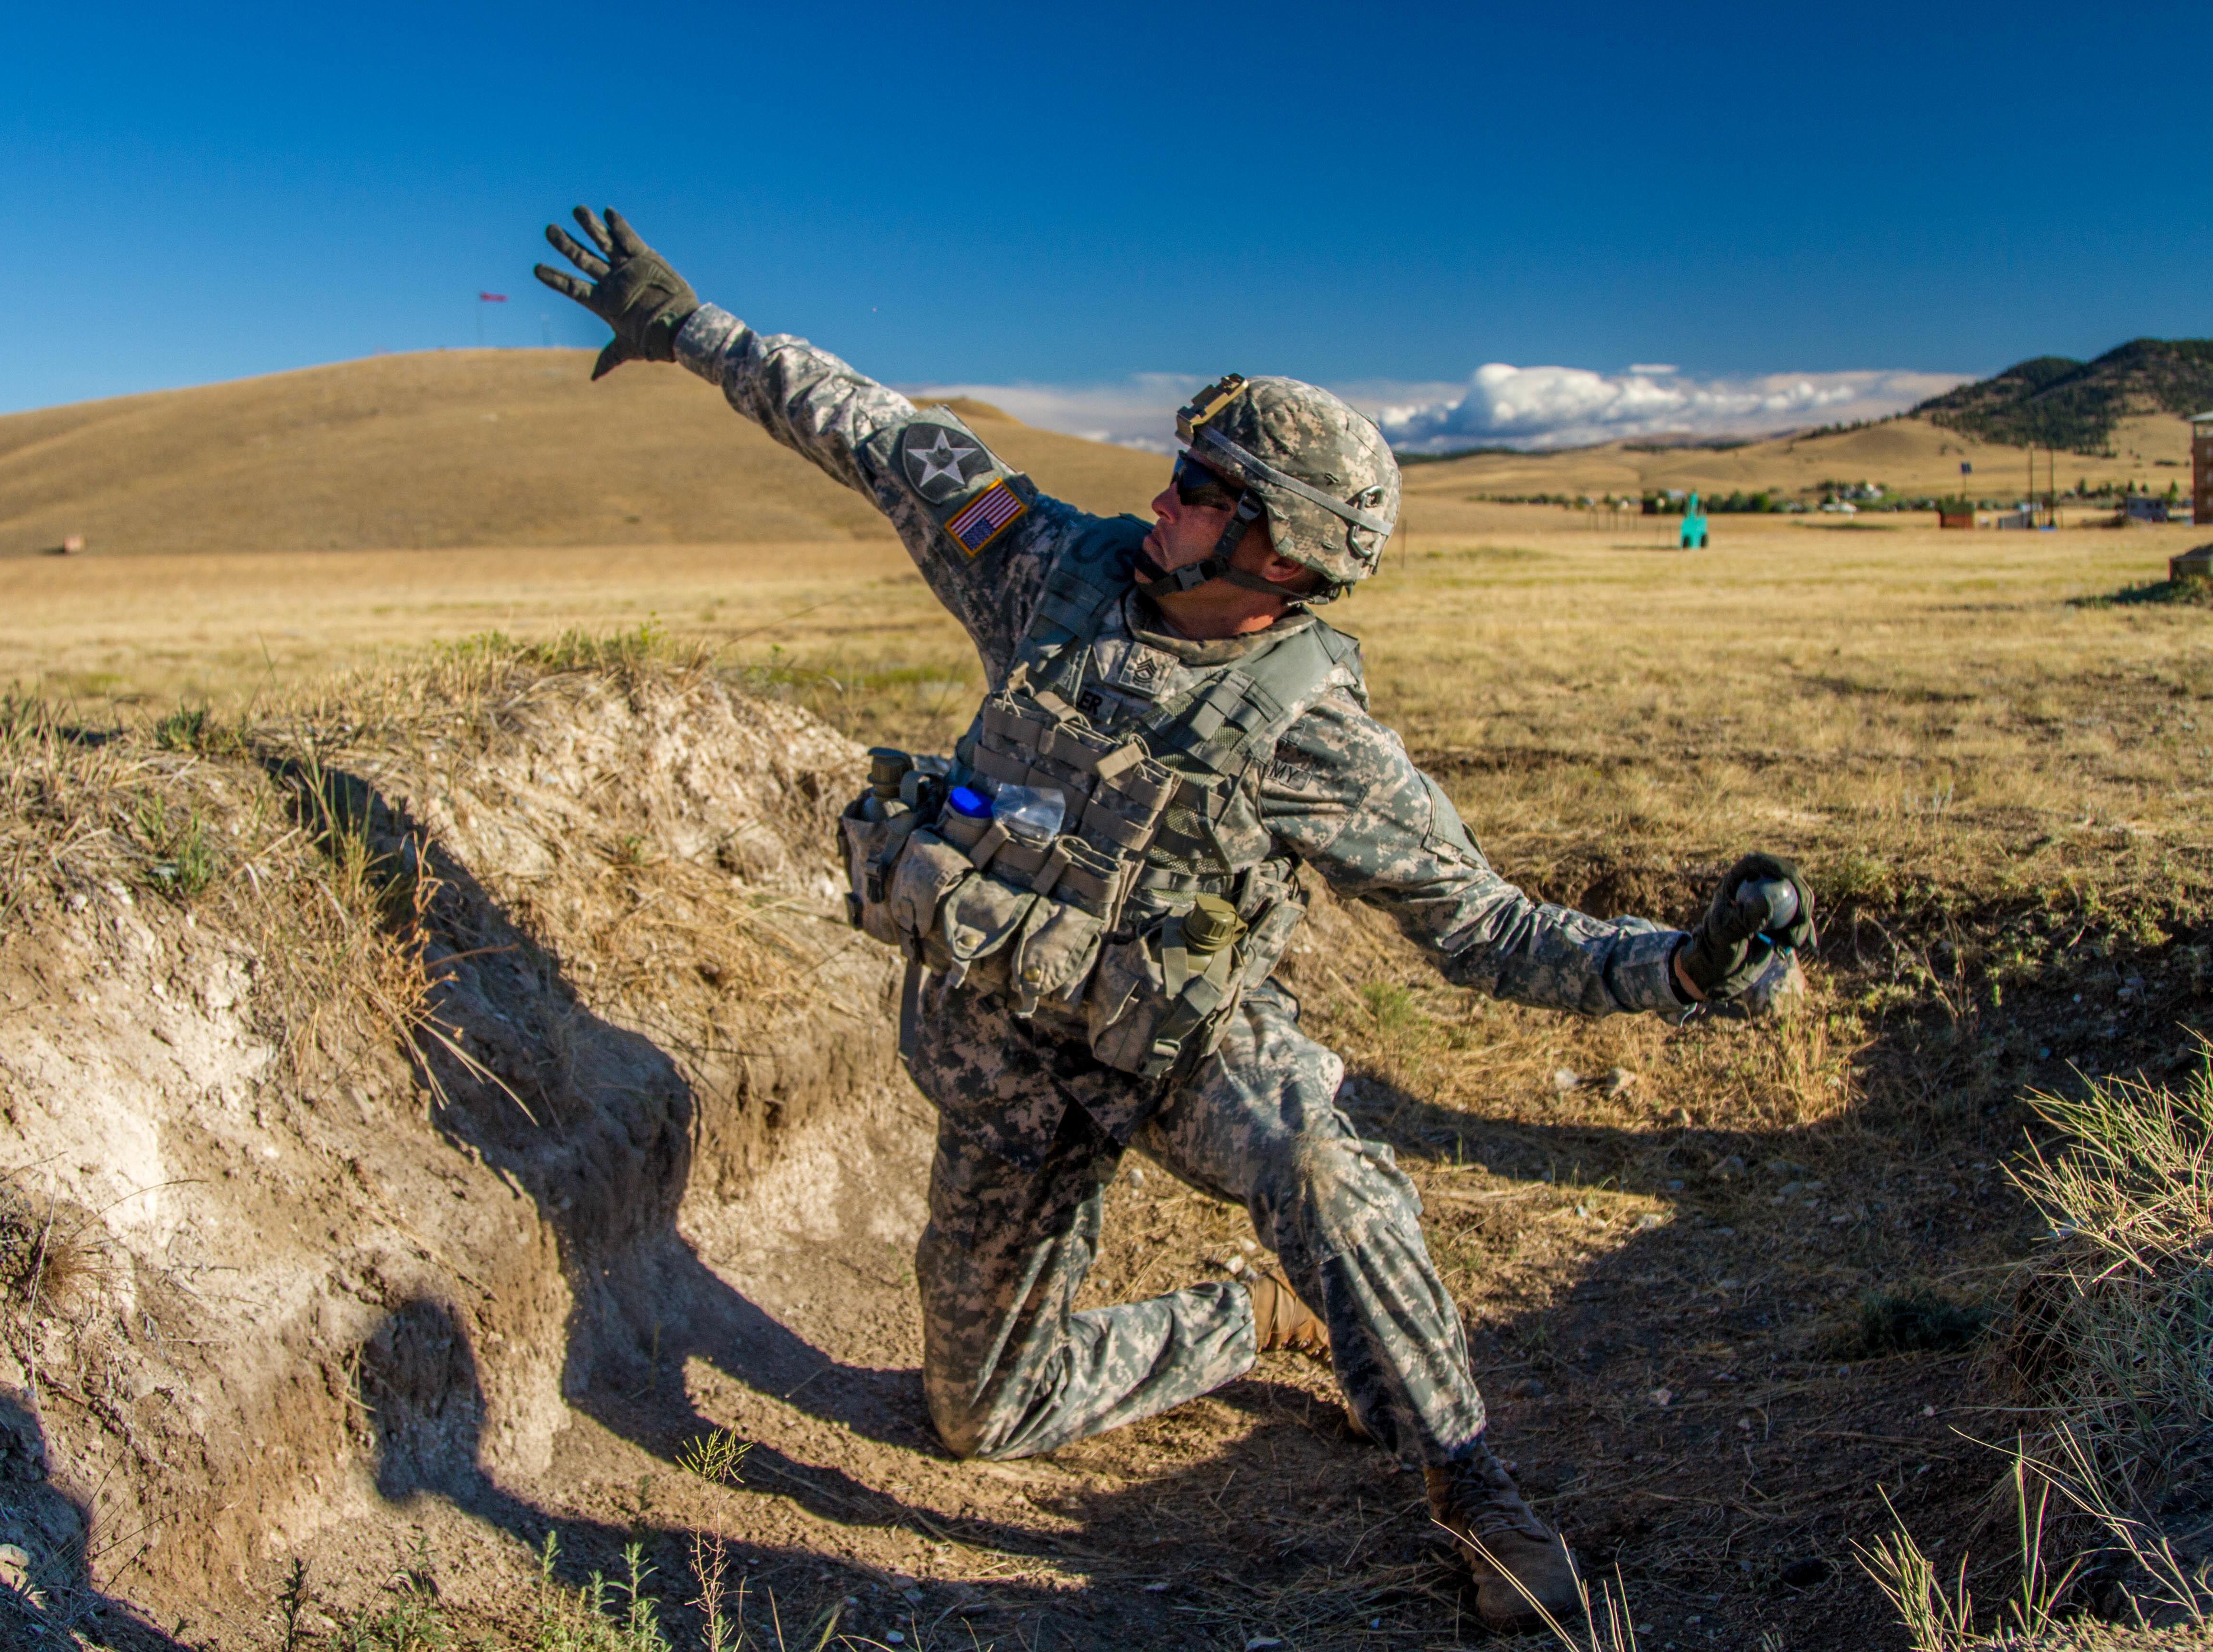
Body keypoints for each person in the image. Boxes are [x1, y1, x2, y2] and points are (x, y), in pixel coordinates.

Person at [533, 207, 1815, 1633]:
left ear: (1282, 558)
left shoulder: (1315, 736)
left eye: (1206, 486)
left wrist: (1687, 974)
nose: (1166, 494)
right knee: (980, 1418)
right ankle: (1245, 1319)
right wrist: (694, 331)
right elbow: (885, 436)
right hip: (1010, 1078)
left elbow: (1488, 929)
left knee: (1324, 1170)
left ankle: (1472, 1485)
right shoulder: (1049, 570)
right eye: (1186, 468)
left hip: (1181, 1050)